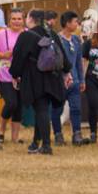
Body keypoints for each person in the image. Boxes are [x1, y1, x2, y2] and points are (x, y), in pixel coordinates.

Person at [10, 8, 71, 155]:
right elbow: (63, 57)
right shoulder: (52, 34)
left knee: (41, 111)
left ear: (30, 19)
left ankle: (46, 145)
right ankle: (36, 142)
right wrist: (66, 73)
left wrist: (15, 75)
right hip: (53, 77)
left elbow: (18, 58)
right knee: (41, 111)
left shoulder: (26, 36)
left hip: (35, 79)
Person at [0, 8, 25, 146]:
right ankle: (1, 131)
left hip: (22, 76)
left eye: (19, 18)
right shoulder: (1, 34)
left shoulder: (27, 34)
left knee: (19, 106)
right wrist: (2, 55)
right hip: (5, 75)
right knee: (11, 103)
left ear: (23, 20)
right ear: (9, 20)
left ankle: (15, 137)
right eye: (14, 18)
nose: (17, 21)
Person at [59, 10, 86, 145]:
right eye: (75, 21)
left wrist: (82, 79)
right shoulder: (57, 39)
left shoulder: (76, 40)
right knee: (57, 108)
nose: (77, 24)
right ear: (67, 23)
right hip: (60, 81)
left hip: (74, 80)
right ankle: (58, 134)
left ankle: (77, 135)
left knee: (76, 108)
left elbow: (78, 61)